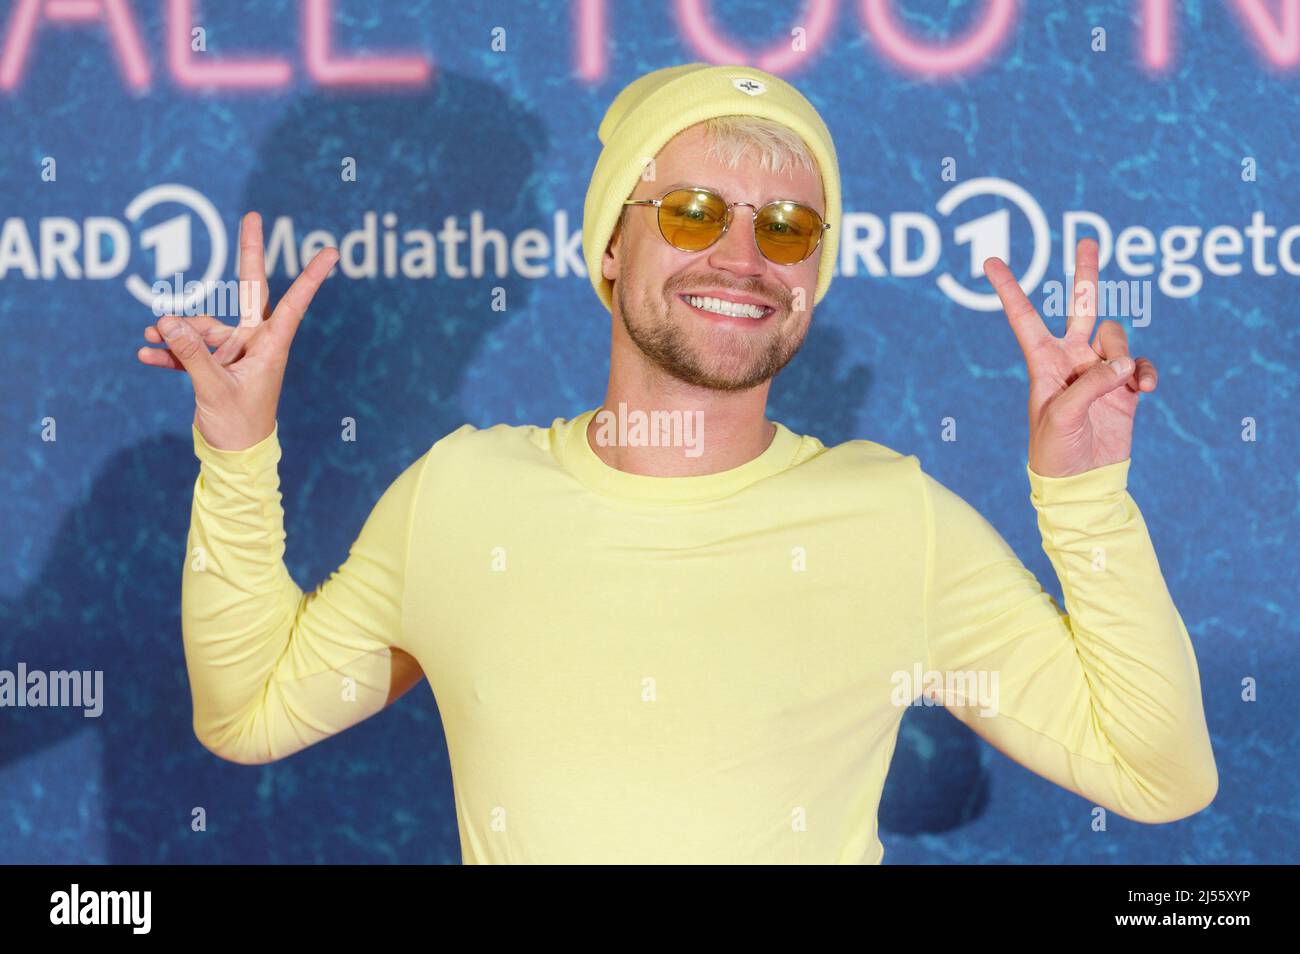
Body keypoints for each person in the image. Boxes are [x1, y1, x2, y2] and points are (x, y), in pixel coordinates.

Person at [138, 63, 1217, 864]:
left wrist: (1083, 498)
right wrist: (237, 450)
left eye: (789, 229)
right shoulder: (461, 499)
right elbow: (248, 714)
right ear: (612, 244)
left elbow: (1154, 774)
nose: (742, 258)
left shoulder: (893, 517)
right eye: (694, 212)